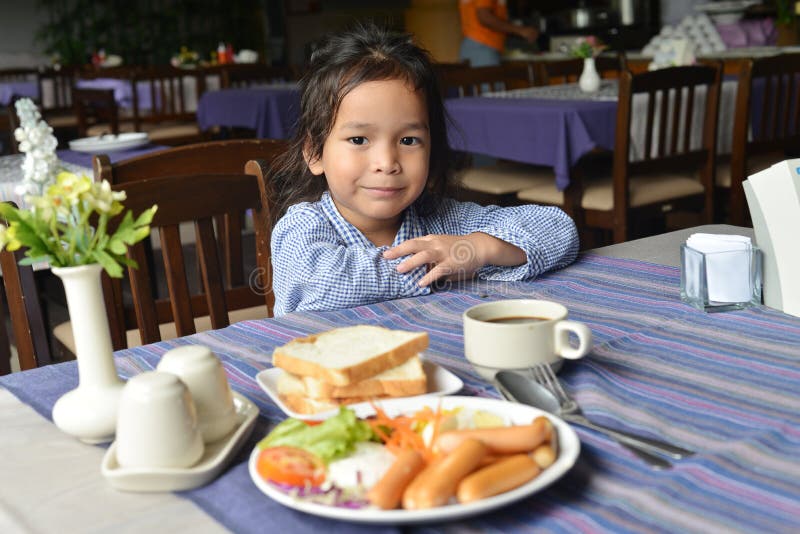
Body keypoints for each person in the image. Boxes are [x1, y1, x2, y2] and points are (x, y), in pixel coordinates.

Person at [269, 23, 578, 316]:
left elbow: (558, 229)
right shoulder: (303, 226)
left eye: (408, 140)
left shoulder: (442, 219)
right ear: (314, 153)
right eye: (359, 139)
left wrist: (478, 248)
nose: (387, 162)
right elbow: (320, 284)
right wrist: (438, 264)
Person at [458, 0, 539, 67]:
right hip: (483, 45)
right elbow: (484, 16)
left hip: (477, 44)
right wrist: (520, 30)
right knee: (490, 85)